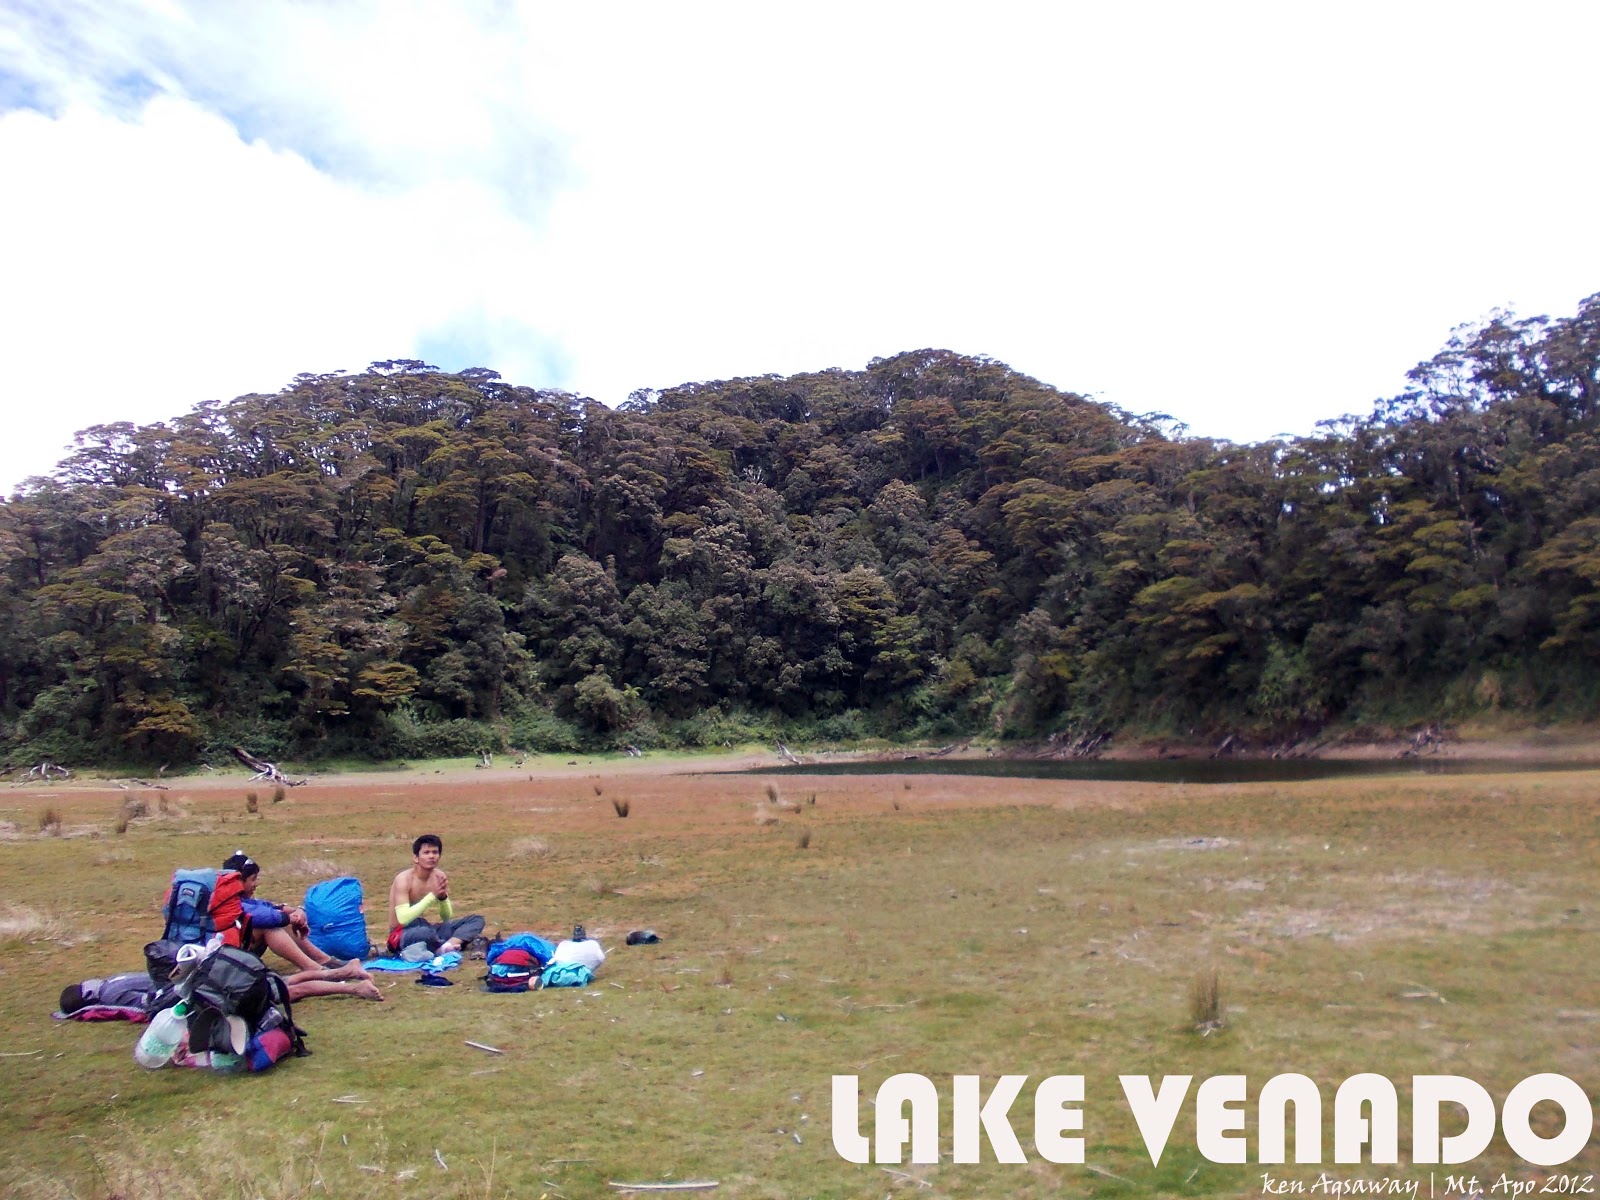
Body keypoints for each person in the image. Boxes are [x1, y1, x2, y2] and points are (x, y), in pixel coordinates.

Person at [222, 851, 368, 976]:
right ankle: (316, 968)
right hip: (229, 956)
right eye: (253, 879)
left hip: (237, 950)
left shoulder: (238, 899)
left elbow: (265, 907)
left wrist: (296, 911)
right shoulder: (229, 901)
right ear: (239, 881)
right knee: (271, 926)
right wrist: (289, 918)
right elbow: (260, 915)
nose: (256, 884)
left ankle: (322, 960)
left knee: (280, 920)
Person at [387, 834, 485, 956]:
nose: (431, 856)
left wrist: (443, 898)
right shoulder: (404, 879)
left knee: (476, 920)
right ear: (416, 858)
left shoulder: (438, 876)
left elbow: (446, 917)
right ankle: (445, 944)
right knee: (426, 933)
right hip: (401, 933)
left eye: (435, 852)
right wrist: (432, 896)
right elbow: (403, 918)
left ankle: (448, 945)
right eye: (426, 853)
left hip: (425, 925)